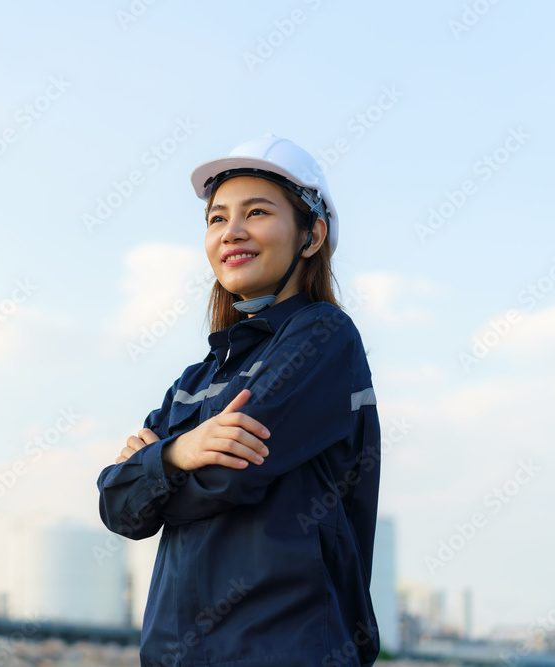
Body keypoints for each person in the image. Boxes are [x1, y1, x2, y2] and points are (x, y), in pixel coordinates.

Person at [96, 134, 382, 667]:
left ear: (312, 235)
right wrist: (182, 453)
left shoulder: (323, 337)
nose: (232, 232)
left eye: (256, 212)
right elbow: (119, 509)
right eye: (216, 218)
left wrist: (151, 471)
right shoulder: (196, 377)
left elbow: (233, 475)